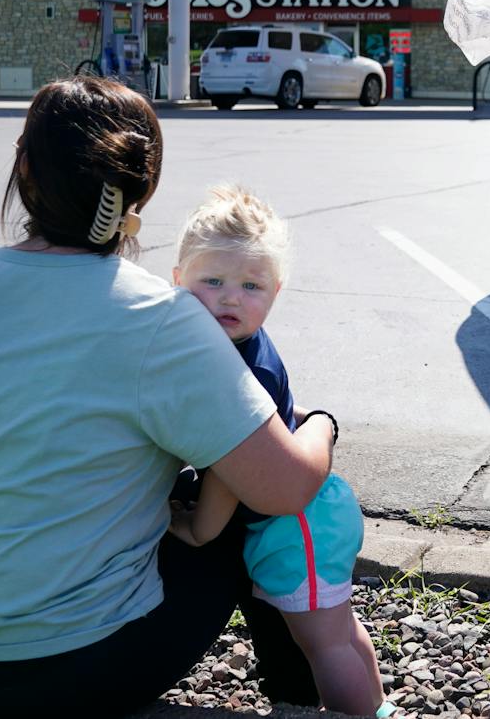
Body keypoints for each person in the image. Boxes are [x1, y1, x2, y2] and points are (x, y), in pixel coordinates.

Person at [0, 77, 336, 717]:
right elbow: (284, 488)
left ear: (25, 167)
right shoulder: (162, 319)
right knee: (246, 510)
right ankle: (299, 694)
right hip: (70, 670)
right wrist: (321, 425)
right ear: (140, 190)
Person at [167, 185, 389, 718]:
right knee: (337, 627)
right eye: (212, 281)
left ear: (276, 291)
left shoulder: (241, 368)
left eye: (251, 286)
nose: (231, 298)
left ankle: (357, 713)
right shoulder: (229, 345)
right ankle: (376, 707)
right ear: (177, 280)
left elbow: (230, 469)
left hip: (297, 522)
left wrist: (200, 529)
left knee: (326, 642)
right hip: (309, 516)